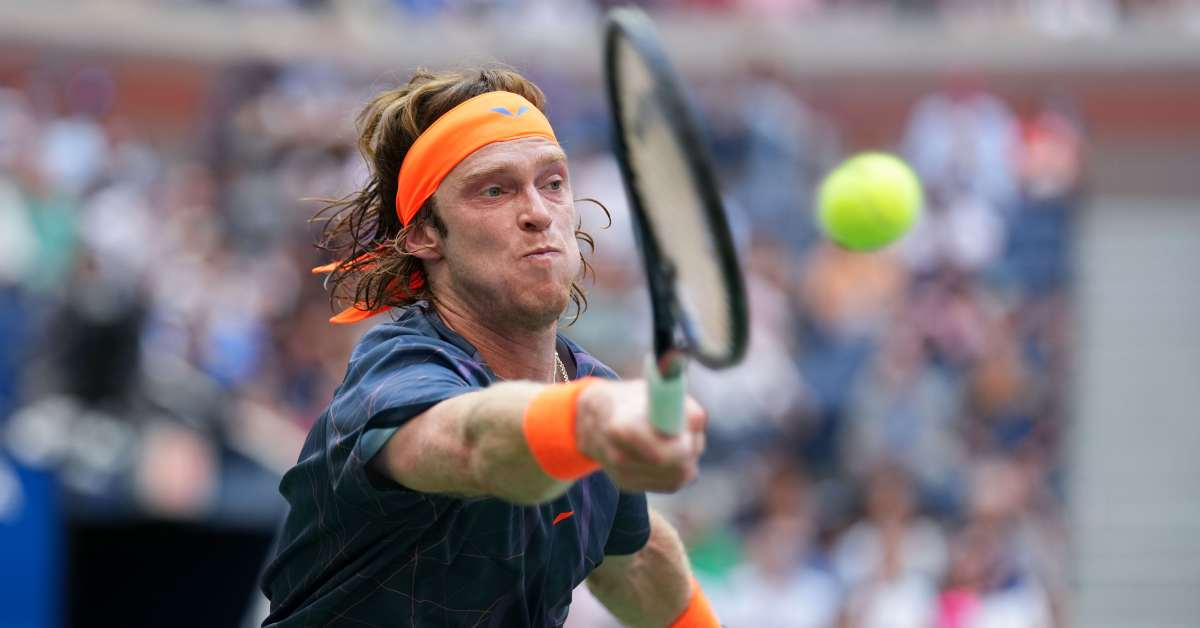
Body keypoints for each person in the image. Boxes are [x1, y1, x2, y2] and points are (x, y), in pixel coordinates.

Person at [259, 68, 721, 627]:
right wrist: (591, 419)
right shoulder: (396, 370)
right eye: (495, 189)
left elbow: (638, 560)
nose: (538, 211)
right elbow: (473, 444)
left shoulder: (586, 386)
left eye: (552, 182)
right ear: (425, 233)